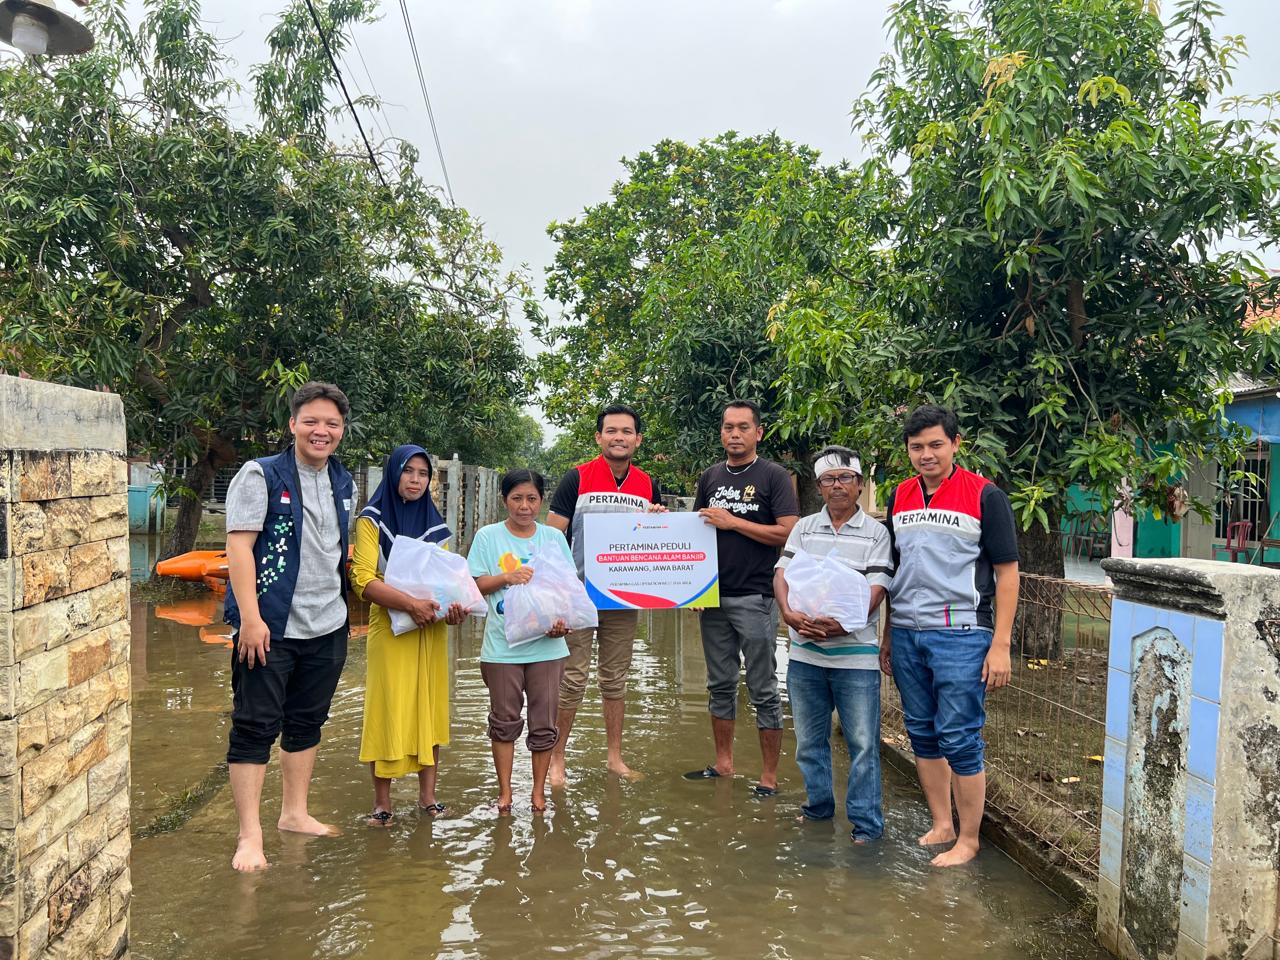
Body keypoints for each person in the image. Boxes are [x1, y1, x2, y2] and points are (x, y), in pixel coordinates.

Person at [223, 381, 355, 872]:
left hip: (328, 625)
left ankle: (294, 813)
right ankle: (249, 836)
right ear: (293, 424)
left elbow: (337, 551)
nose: (322, 431)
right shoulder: (262, 475)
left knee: (307, 721)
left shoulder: (343, 480)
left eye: (332, 424)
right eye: (312, 421)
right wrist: (251, 619)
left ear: (342, 430)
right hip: (270, 626)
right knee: (254, 726)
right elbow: (238, 547)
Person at [882, 404, 1020, 867]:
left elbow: (1007, 572)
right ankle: (942, 822)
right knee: (920, 730)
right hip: (905, 631)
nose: (926, 454)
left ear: (955, 444)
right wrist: (887, 634)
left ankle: (969, 839)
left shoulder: (985, 495)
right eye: (917, 446)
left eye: (936, 444)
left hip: (962, 632)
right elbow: (896, 568)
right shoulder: (899, 496)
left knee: (959, 735)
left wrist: (1000, 644)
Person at [774, 446, 893, 841]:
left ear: (859, 485)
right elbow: (782, 574)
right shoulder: (804, 528)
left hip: (856, 659)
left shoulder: (877, 533)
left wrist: (841, 626)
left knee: (862, 744)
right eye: (828, 479)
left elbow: (876, 589)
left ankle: (866, 826)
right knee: (809, 741)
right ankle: (818, 810)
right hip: (805, 655)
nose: (837, 486)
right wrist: (788, 613)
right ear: (820, 486)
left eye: (845, 478)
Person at [684, 400, 799, 795]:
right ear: (721, 432)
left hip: (756, 595)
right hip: (713, 598)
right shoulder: (710, 476)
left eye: (743, 427)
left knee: (764, 686)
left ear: (758, 432)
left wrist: (734, 521)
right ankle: (723, 764)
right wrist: (692, 586)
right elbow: (694, 533)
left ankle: (768, 777)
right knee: (719, 684)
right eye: (728, 427)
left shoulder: (774, 476)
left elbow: (787, 532)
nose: (735, 434)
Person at [546, 404, 665, 785]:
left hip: (622, 598)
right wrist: (557, 596)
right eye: (611, 431)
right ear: (598, 437)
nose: (619, 437)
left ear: (638, 440)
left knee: (615, 679)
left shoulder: (648, 484)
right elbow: (551, 540)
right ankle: (556, 759)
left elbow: (657, 543)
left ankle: (615, 757)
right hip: (578, 597)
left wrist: (659, 523)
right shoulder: (576, 479)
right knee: (572, 679)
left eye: (626, 431)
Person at [349, 445, 468, 826]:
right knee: (387, 707)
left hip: (429, 631)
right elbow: (362, 580)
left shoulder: (435, 526)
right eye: (408, 472)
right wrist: (409, 604)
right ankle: (382, 803)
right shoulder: (371, 520)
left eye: (423, 474)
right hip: (391, 627)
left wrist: (454, 610)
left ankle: (427, 798)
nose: (415, 480)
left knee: (429, 708)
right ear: (393, 473)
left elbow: (445, 583)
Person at [469, 469, 574, 814]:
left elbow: (567, 589)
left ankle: (538, 794)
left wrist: (563, 623)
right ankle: (505, 794)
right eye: (517, 498)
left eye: (531, 499)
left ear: (541, 501)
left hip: (548, 647)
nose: (524, 506)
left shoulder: (554, 538)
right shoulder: (488, 537)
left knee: (545, 722)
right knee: (503, 720)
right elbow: (472, 586)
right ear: (504, 501)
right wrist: (506, 577)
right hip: (502, 647)